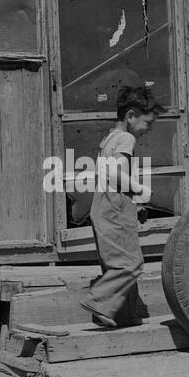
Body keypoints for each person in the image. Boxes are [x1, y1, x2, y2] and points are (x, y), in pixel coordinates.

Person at [79, 86, 162, 329]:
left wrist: (134, 205)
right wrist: (139, 190)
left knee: (117, 263)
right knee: (132, 263)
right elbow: (116, 174)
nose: (148, 129)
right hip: (115, 204)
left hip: (104, 203)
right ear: (131, 116)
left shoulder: (109, 138)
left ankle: (121, 315)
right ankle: (98, 301)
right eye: (146, 123)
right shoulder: (127, 138)